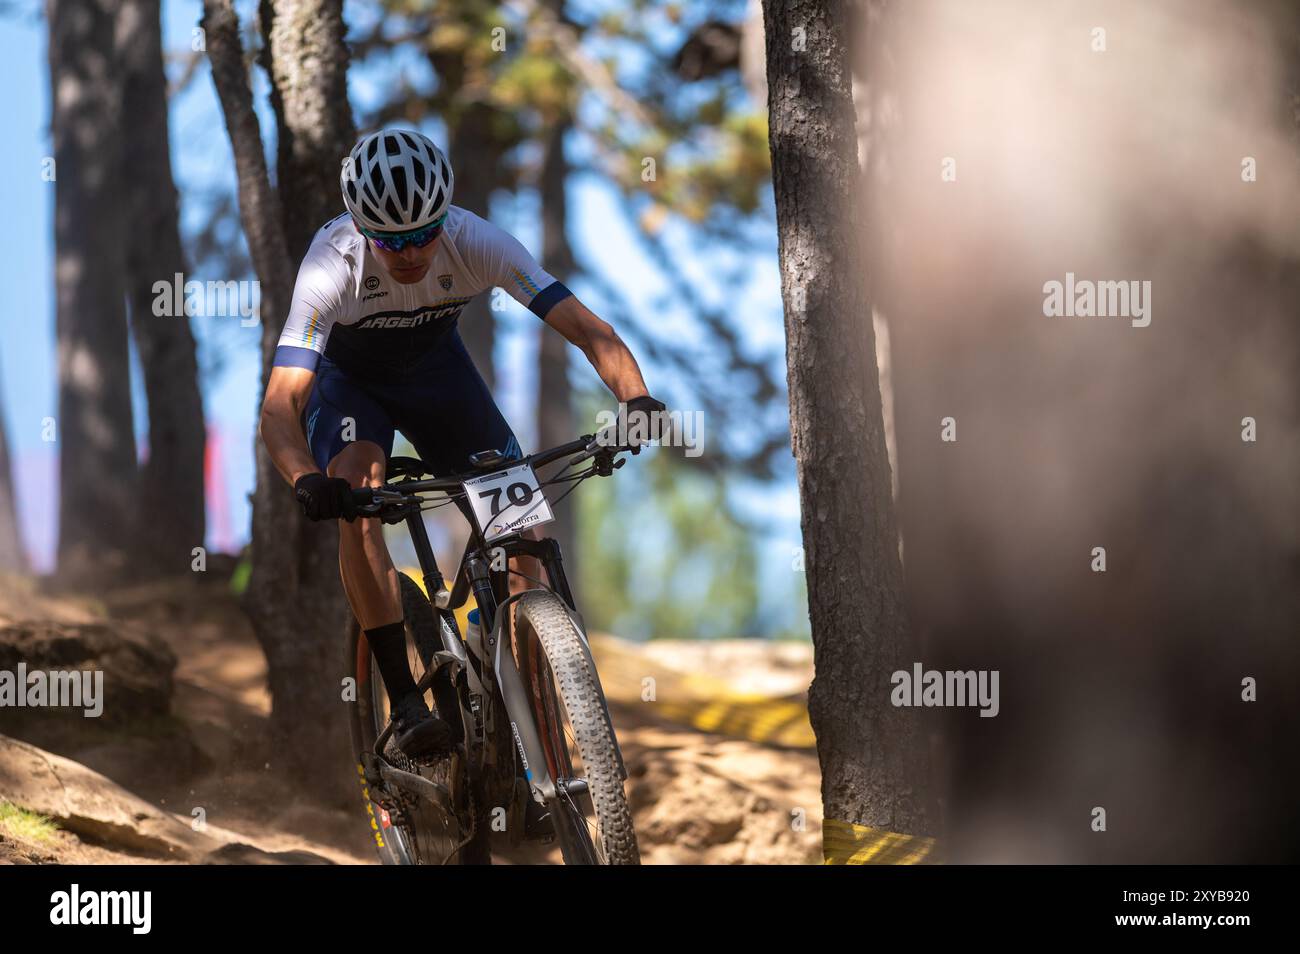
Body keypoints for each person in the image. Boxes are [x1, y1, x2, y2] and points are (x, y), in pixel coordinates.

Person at [259, 129, 663, 758]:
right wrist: (307, 480)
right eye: (391, 241)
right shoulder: (329, 264)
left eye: (423, 234)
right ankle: (407, 701)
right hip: (351, 388)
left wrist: (635, 401)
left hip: (439, 381)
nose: (410, 253)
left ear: (444, 218)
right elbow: (281, 404)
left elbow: (588, 330)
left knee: (525, 535)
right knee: (360, 490)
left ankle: (514, 688)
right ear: (363, 230)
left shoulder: (478, 241)